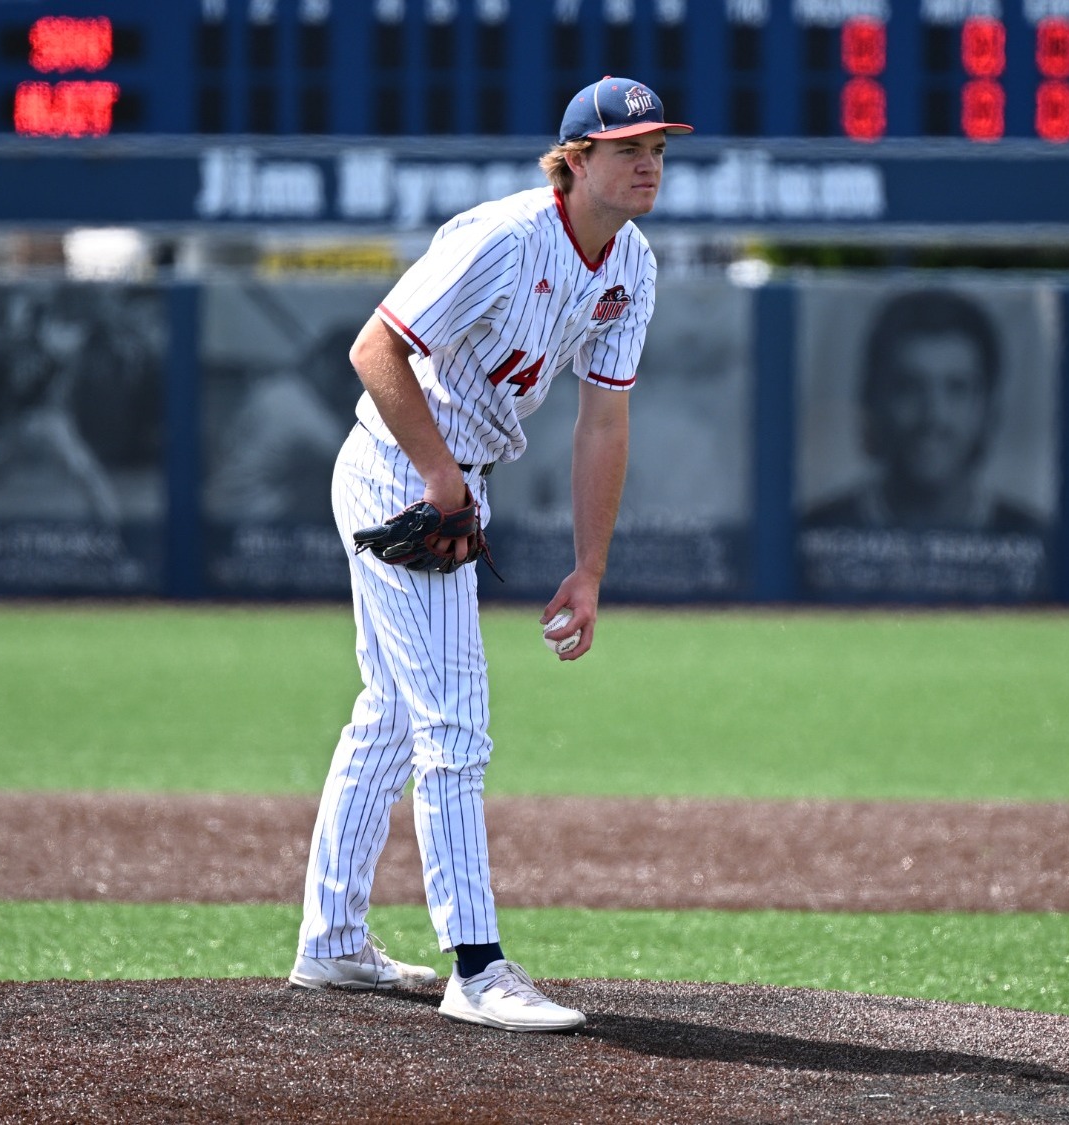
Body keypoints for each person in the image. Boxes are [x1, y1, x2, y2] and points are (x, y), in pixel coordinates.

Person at [289, 77, 690, 1033]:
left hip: (457, 477)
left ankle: (332, 940)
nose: (648, 165)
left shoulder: (632, 263)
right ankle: (475, 966)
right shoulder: (502, 238)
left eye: (658, 149)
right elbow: (374, 350)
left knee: (392, 716)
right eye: (628, 149)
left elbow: (604, 421)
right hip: (401, 470)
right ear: (575, 161)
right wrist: (439, 477)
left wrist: (590, 568)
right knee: (455, 724)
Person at [800, 289, 1043, 534]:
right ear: (873, 401)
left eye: (957, 389)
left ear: (989, 409)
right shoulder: (814, 533)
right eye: (909, 388)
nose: (934, 416)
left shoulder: (1033, 539)